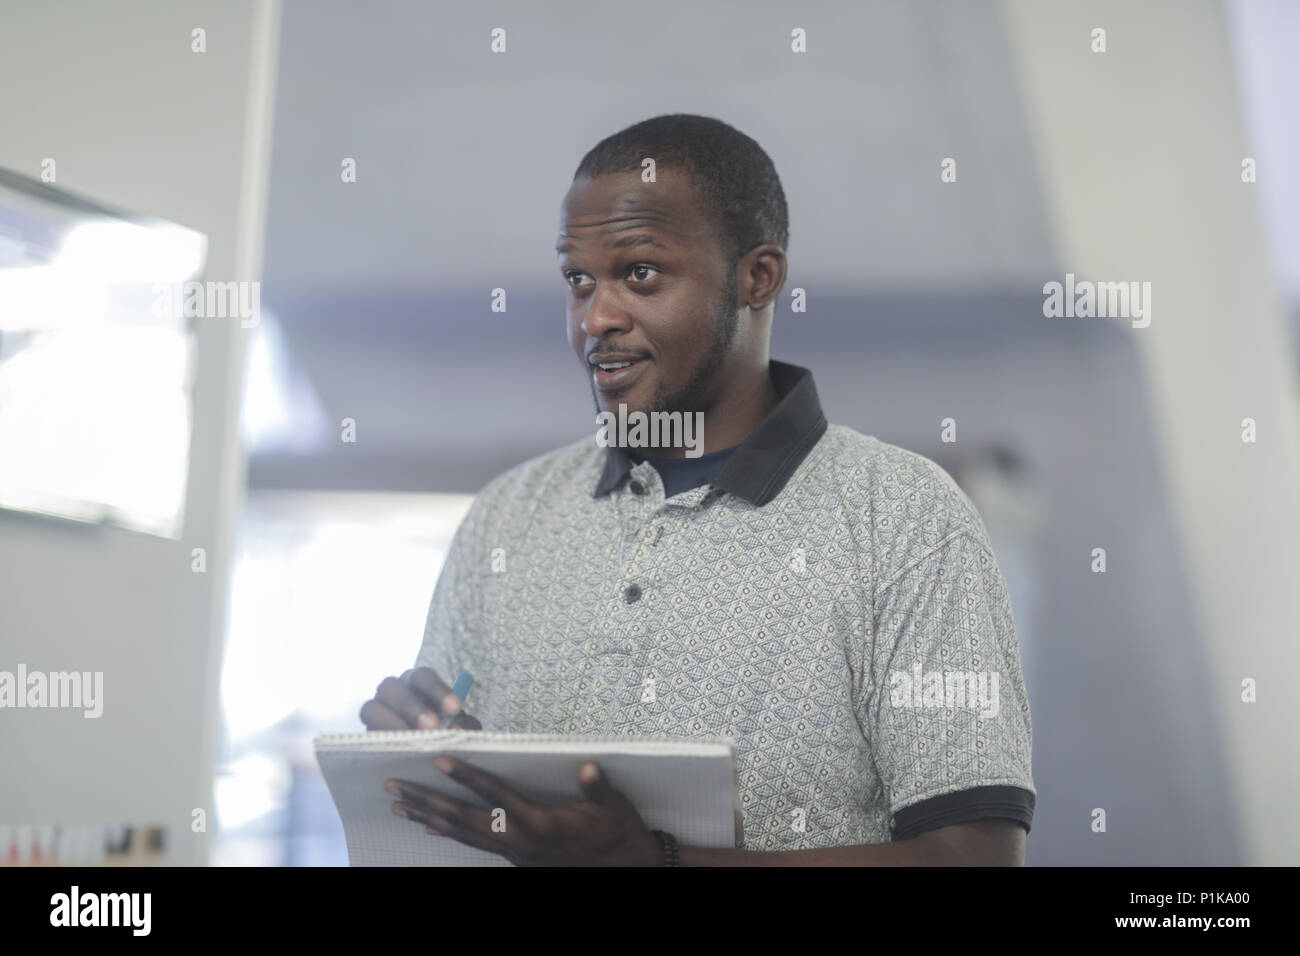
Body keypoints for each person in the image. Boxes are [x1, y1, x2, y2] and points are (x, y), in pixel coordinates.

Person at [359, 114, 1035, 866]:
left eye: (639, 274)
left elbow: (974, 856)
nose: (596, 318)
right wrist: (430, 753)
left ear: (758, 277)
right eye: (578, 279)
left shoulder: (906, 519)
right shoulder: (507, 517)